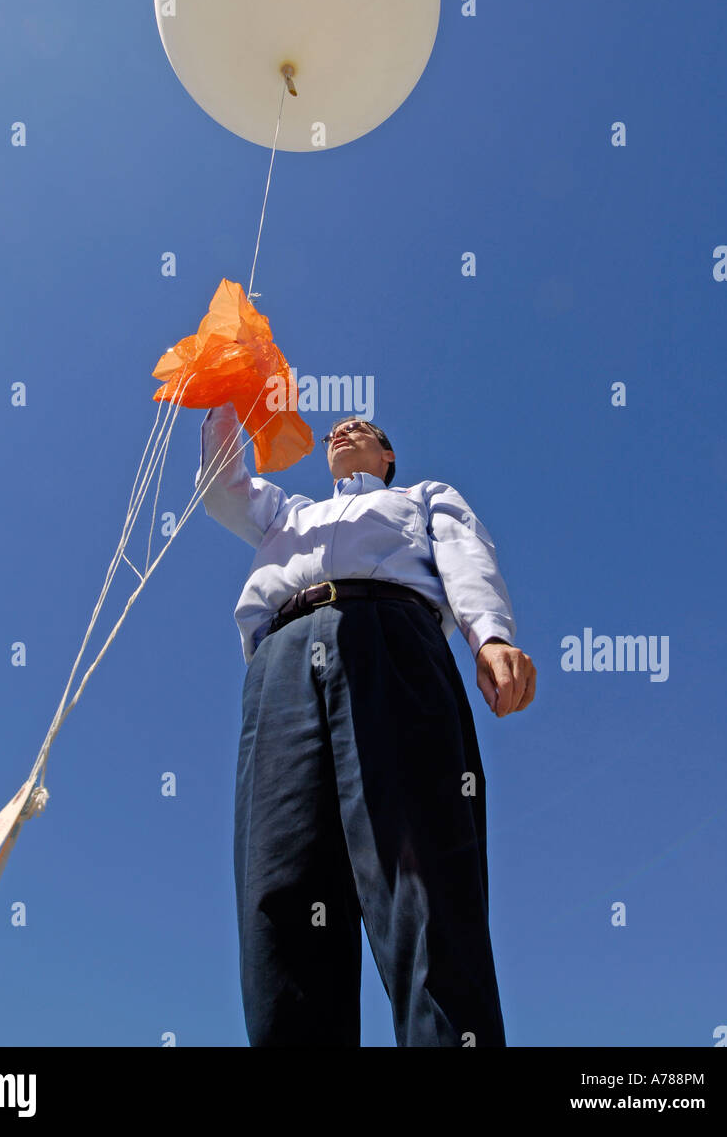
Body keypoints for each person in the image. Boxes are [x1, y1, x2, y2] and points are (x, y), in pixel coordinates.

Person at [195, 402, 536, 1047]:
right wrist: (225, 398)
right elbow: (220, 487)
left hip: (392, 639)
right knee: (280, 878)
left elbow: (465, 552)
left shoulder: (421, 496)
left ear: (387, 458)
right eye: (335, 431)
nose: (343, 432)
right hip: (282, 658)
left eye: (364, 431)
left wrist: (488, 635)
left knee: (422, 863)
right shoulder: (286, 512)